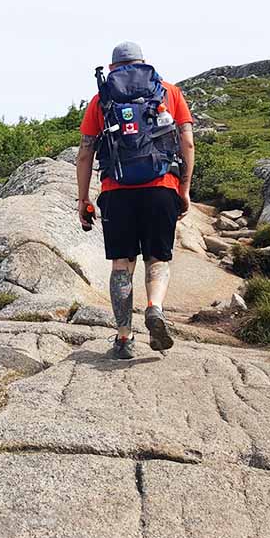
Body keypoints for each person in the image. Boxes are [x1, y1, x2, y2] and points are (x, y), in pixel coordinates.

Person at [75, 41, 195, 359]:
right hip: (162, 187)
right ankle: (154, 307)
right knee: (157, 259)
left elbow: (85, 152)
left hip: (116, 191)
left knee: (121, 265)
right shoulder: (169, 92)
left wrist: (83, 199)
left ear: (112, 68)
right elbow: (187, 143)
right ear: (143, 62)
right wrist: (183, 189)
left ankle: (124, 337)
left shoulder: (102, 98)